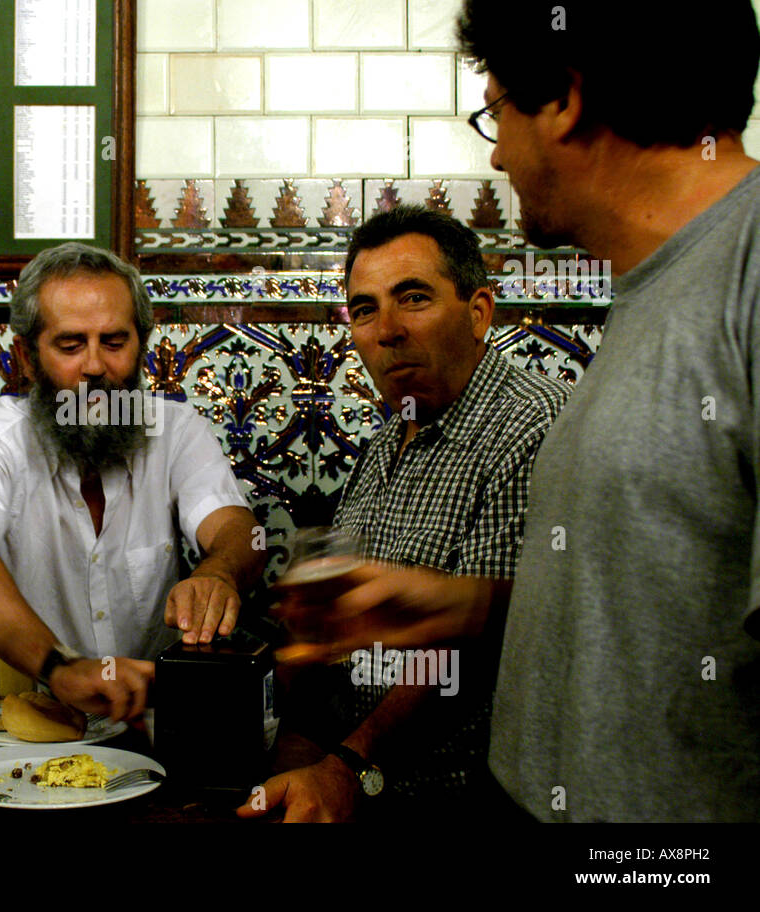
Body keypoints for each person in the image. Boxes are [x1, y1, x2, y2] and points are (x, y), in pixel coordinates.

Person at [281, 0, 760, 821]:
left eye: (496, 111)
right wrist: (463, 606)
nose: (497, 152)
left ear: (564, 99)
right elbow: (668, 585)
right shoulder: (654, 285)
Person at [237, 206, 568, 822]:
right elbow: (334, 639)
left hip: (459, 800)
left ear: (479, 313)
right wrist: (293, 746)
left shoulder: (532, 424)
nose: (386, 329)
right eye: (364, 309)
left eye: (412, 298)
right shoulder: (389, 441)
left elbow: (478, 648)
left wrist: (347, 767)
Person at [0, 242, 266, 720]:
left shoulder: (173, 430)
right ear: (27, 358)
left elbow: (238, 530)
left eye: (114, 342)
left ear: (140, 348)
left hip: (140, 730)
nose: (94, 367)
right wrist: (61, 667)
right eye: (70, 345)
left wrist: (219, 571)